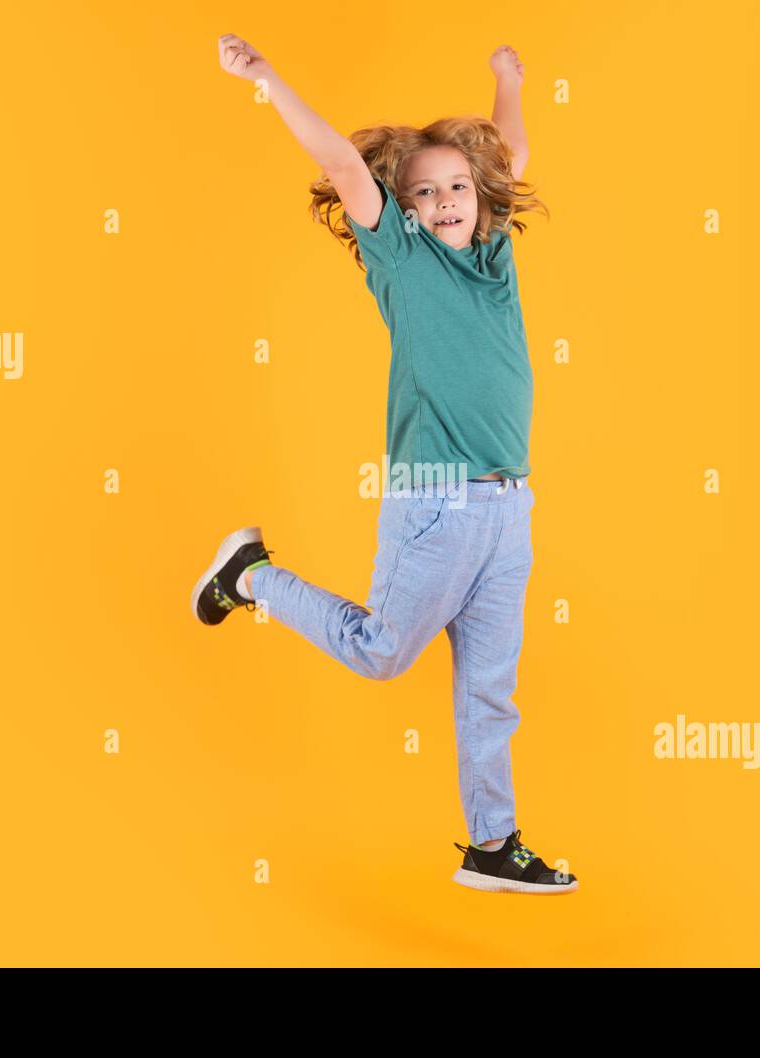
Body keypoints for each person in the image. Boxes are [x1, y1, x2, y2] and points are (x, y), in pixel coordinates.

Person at [193, 34, 576, 894]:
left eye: (456, 187)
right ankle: (250, 576)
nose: (444, 200)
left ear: (479, 198)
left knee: (489, 693)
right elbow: (338, 159)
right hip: (435, 504)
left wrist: (504, 80)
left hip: (510, 512)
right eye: (424, 191)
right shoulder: (401, 258)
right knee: (378, 653)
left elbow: (509, 151)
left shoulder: (493, 257)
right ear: (400, 208)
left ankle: (492, 844)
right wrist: (269, 79)